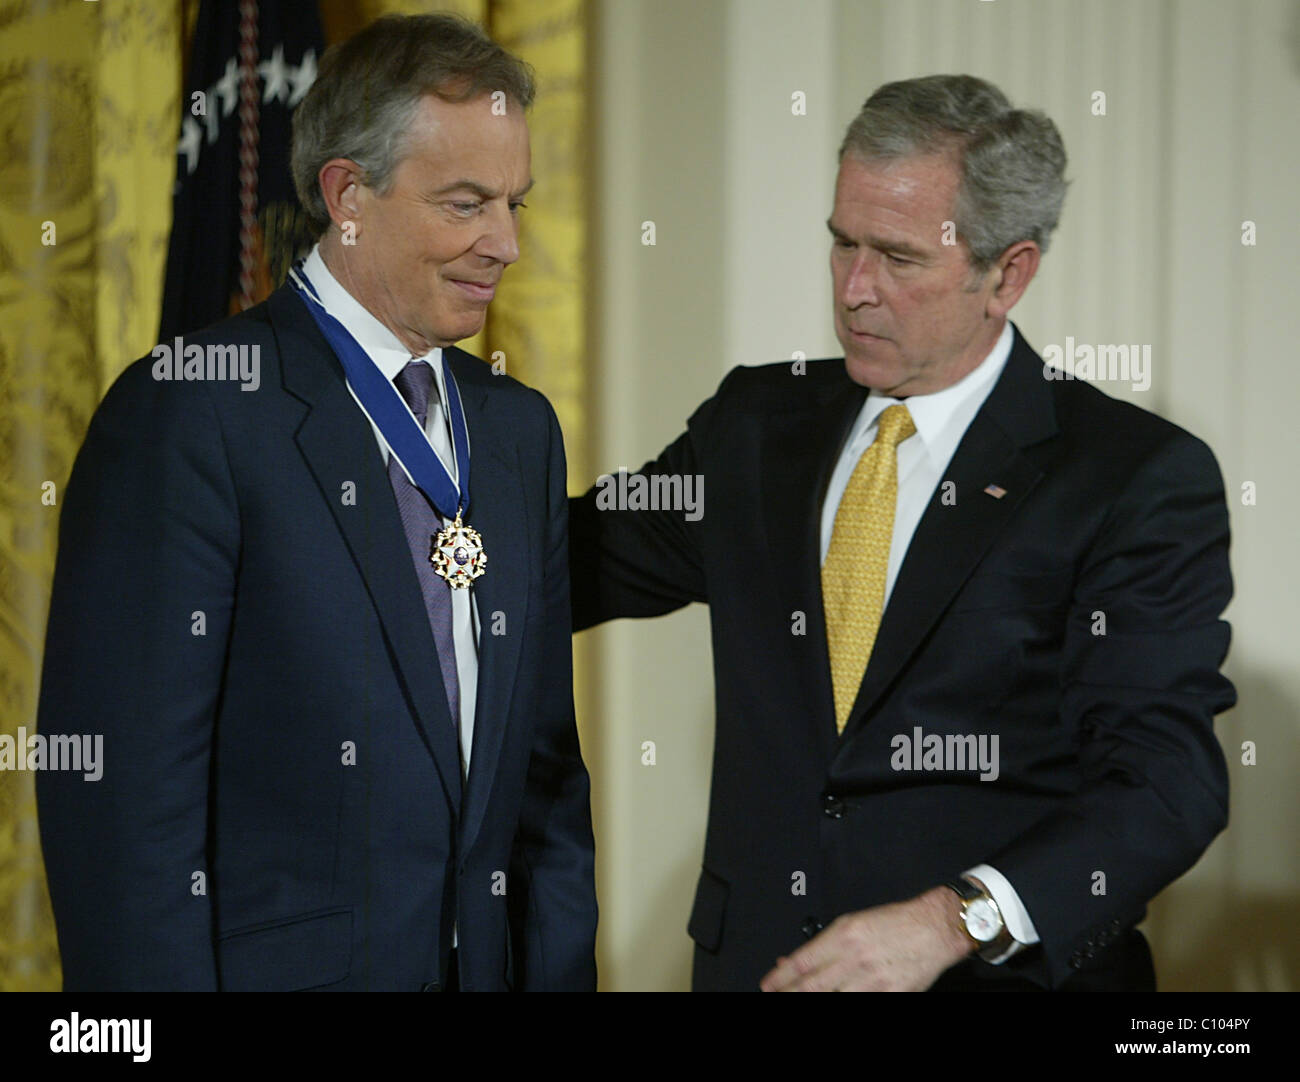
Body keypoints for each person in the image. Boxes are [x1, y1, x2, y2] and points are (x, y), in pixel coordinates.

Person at [569, 74, 1234, 992]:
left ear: (1009, 272)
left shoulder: (1130, 478)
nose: (854, 290)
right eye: (842, 243)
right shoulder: (757, 426)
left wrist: (960, 916)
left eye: (898, 257)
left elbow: (1166, 787)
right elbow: (560, 566)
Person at [36, 13, 596, 992]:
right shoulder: (193, 408)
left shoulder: (518, 432)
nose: (504, 242)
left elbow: (545, 785)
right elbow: (126, 817)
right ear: (347, 194)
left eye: (515, 201)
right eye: (466, 203)